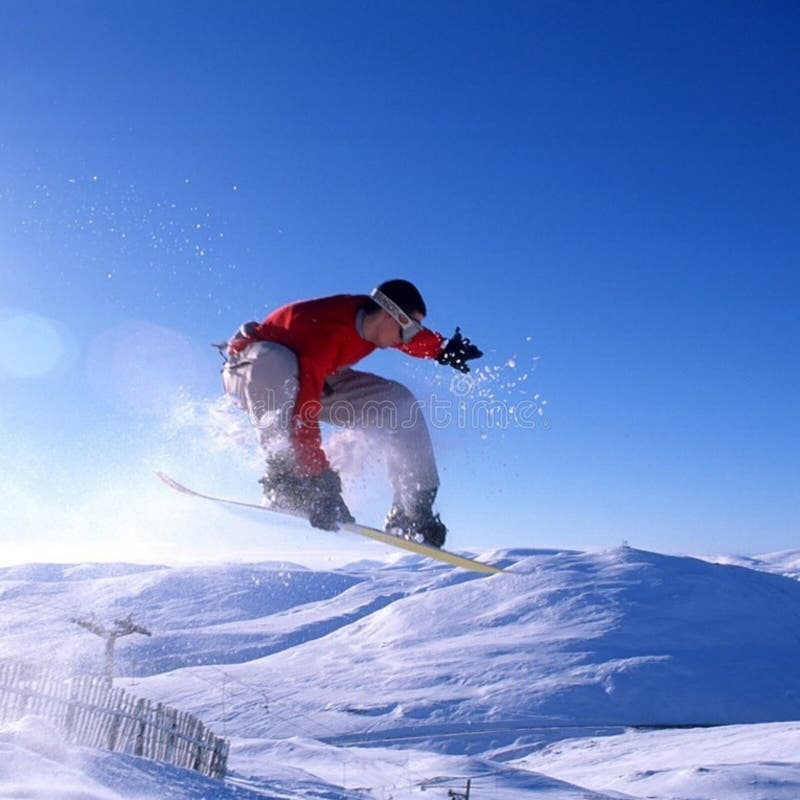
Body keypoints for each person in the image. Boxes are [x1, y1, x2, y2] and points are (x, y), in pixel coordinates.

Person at [220, 279, 482, 547]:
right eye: (408, 329)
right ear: (386, 314)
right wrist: (318, 483)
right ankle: (287, 481)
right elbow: (303, 412)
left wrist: (442, 349)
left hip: (317, 377)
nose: (407, 339)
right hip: (253, 370)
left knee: (397, 402)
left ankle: (411, 511)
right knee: (276, 361)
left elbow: (411, 338)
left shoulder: (375, 326)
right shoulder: (324, 330)